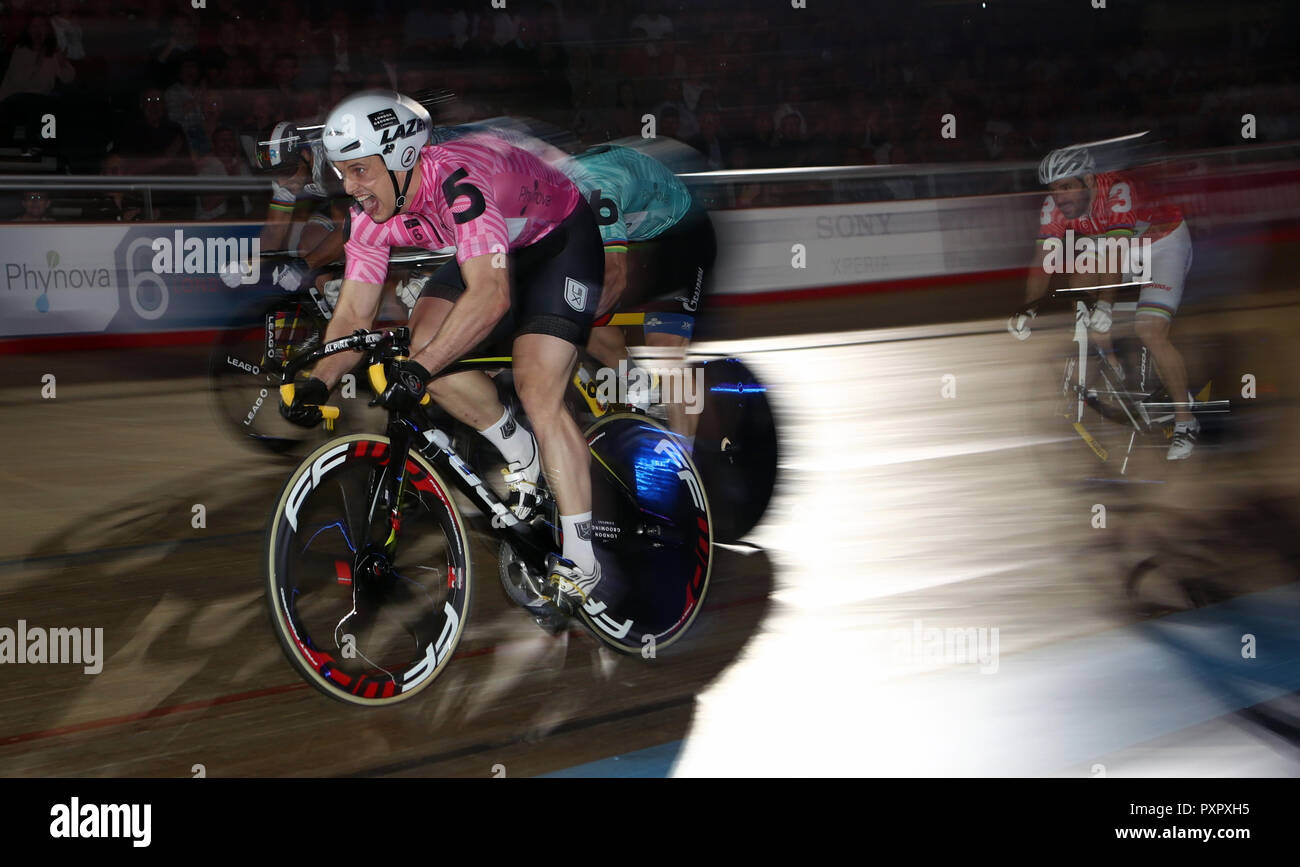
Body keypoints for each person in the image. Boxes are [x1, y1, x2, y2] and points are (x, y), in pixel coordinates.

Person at [280, 91, 606, 607]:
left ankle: (584, 562)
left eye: (361, 171)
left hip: (558, 242)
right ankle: (518, 449)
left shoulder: (457, 178)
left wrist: (420, 369)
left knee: (537, 388)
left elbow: (492, 295)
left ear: (401, 157)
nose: (350, 187)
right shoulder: (368, 215)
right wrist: (318, 380)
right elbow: (352, 316)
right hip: (493, 247)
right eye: (343, 172)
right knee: (421, 344)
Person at [1008, 144, 1197, 460]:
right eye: (1054, 189)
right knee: (1079, 286)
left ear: (1090, 181)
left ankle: (1185, 421)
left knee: (1149, 330)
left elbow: (1116, 251)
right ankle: (1114, 366)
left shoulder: (1118, 191)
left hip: (1163, 244)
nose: (1059, 197)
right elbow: (1043, 259)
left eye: (1067, 186)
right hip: (1114, 242)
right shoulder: (1053, 208)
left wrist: (1107, 305)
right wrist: (1028, 306)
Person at [558, 140, 715, 444]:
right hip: (632, 234)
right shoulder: (547, 197)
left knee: (664, 351)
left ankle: (685, 462)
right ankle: (636, 384)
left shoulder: (593, 188)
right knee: (588, 324)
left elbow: (616, 277)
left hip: (679, 237)